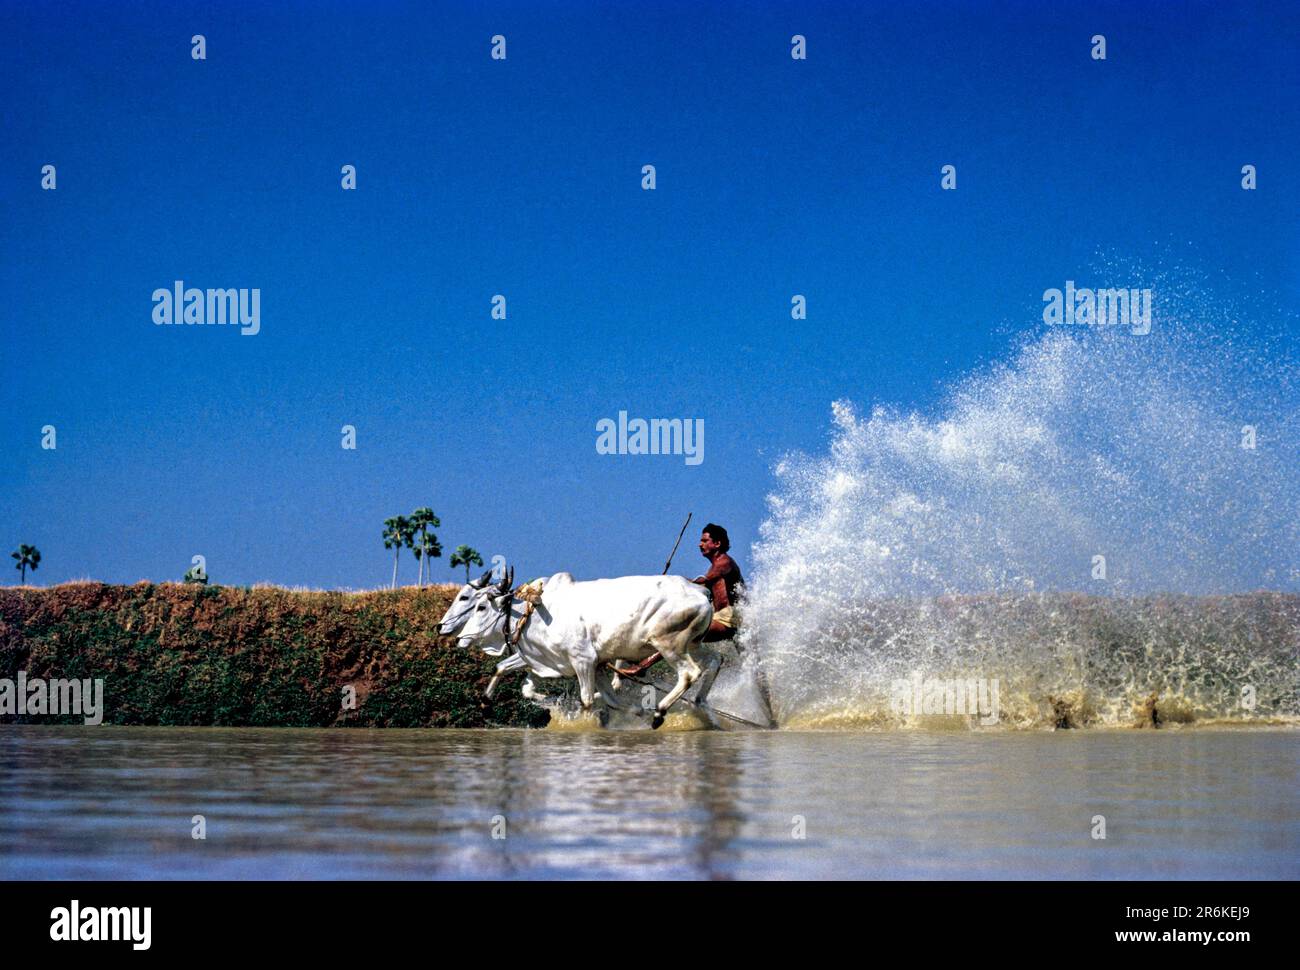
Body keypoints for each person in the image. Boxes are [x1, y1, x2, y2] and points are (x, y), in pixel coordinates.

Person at [692, 523, 744, 641]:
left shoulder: (724, 563)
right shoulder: (715, 567)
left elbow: (699, 582)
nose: (700, 544)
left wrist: (671, 581)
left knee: (683, 635)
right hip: (720, 618)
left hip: (729, 619)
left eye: (705, 541)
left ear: (717, 544)